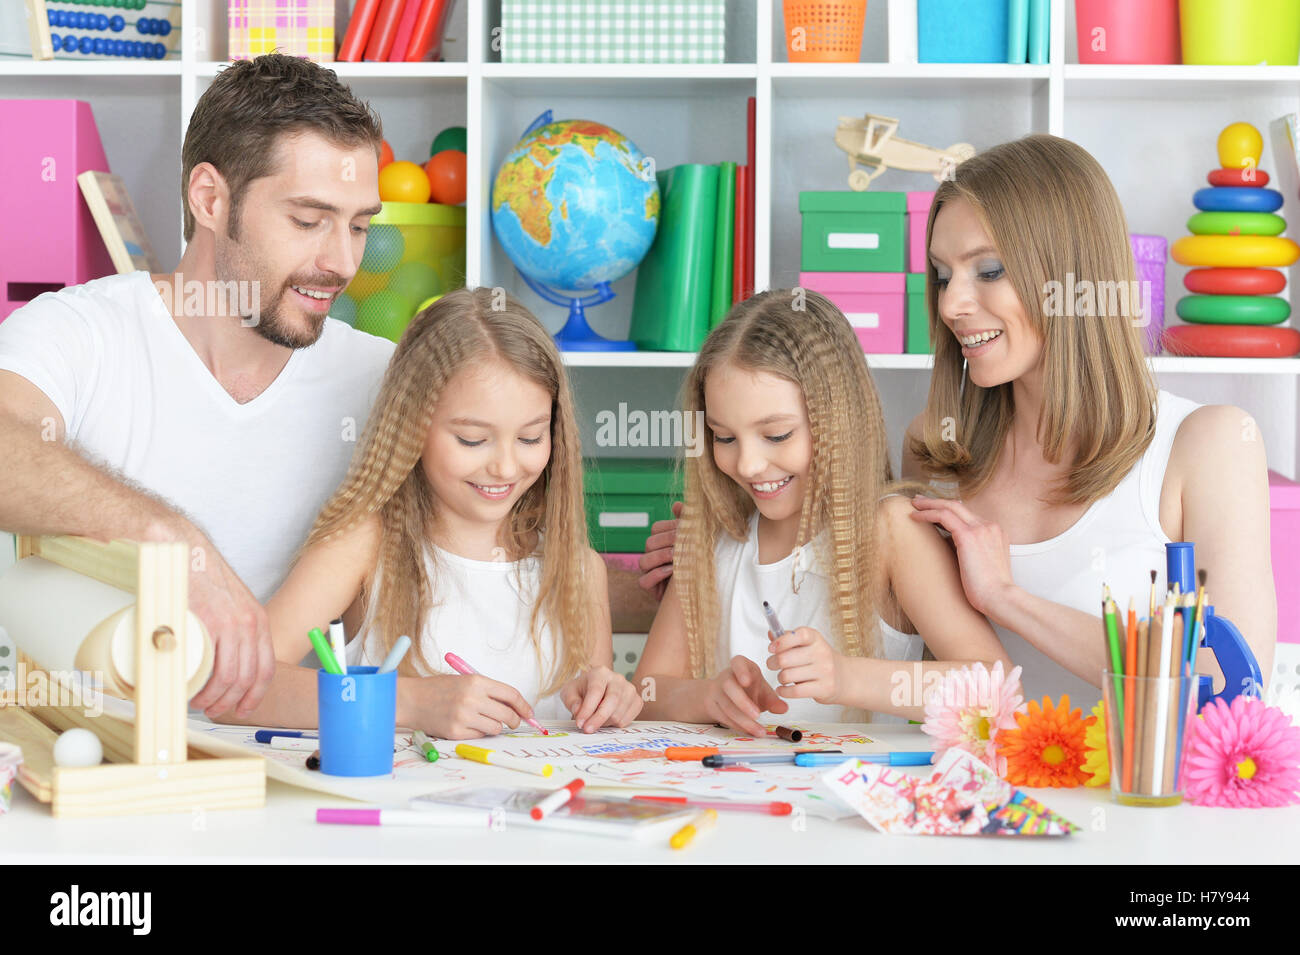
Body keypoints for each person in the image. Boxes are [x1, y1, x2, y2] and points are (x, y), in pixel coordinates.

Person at [0, 55, 393, 717]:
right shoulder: (82, 332)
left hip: (303, 765)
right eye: (308, 220)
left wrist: (634, 586)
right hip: (98, 765)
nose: (342, 262)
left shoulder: (380, 377)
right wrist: (171, 540)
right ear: (210, 198)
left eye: (359, 225)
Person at [904, 134, 1275, 701]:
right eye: (942, 273)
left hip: (1130, 791)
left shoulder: (1206, 445)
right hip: (969, 787)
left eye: (989, 270)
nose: (951, 303)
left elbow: (1230, 688)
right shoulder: (936, 448)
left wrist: (1008, 599)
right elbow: (923, 674)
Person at [247, 289, 641, 737]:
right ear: (412, 426)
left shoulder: (579, 569)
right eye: (473, 440)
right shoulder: (363, 547)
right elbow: (244, 689)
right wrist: (408, 703)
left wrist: (610, 696)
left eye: (531, 438)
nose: (507, 467)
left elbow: (595, 706)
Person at [633, 290, 1009, 734]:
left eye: (776, 436)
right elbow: (646, 693)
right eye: (724, 437)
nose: (748, 465)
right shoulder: (712, 534)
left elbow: (995, 690)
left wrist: (844, 677)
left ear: (838, 422)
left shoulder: (892, 530)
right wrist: (707, 696)